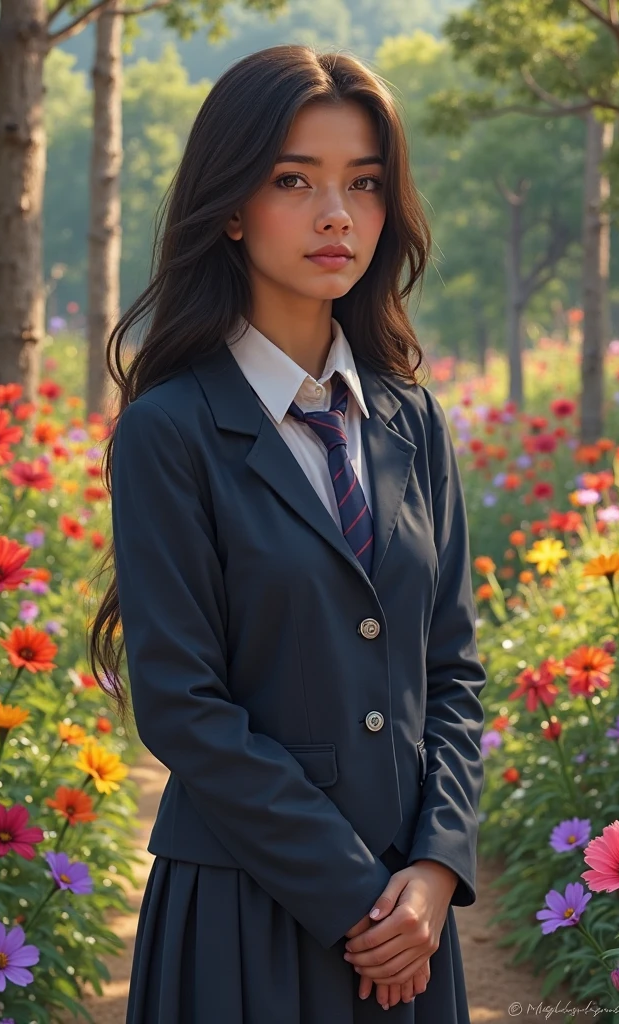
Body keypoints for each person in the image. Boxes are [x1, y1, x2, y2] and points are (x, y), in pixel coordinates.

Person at [89, 43, 487, 1023]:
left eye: (363, 183)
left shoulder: (412, 420)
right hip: (243, 914)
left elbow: (453, 672)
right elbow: (183, 705)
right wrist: (356, 897)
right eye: (292, 180)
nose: (335, 215)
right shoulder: (168, 431)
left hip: (409, 922)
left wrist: (435, 870)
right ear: (229, 206)